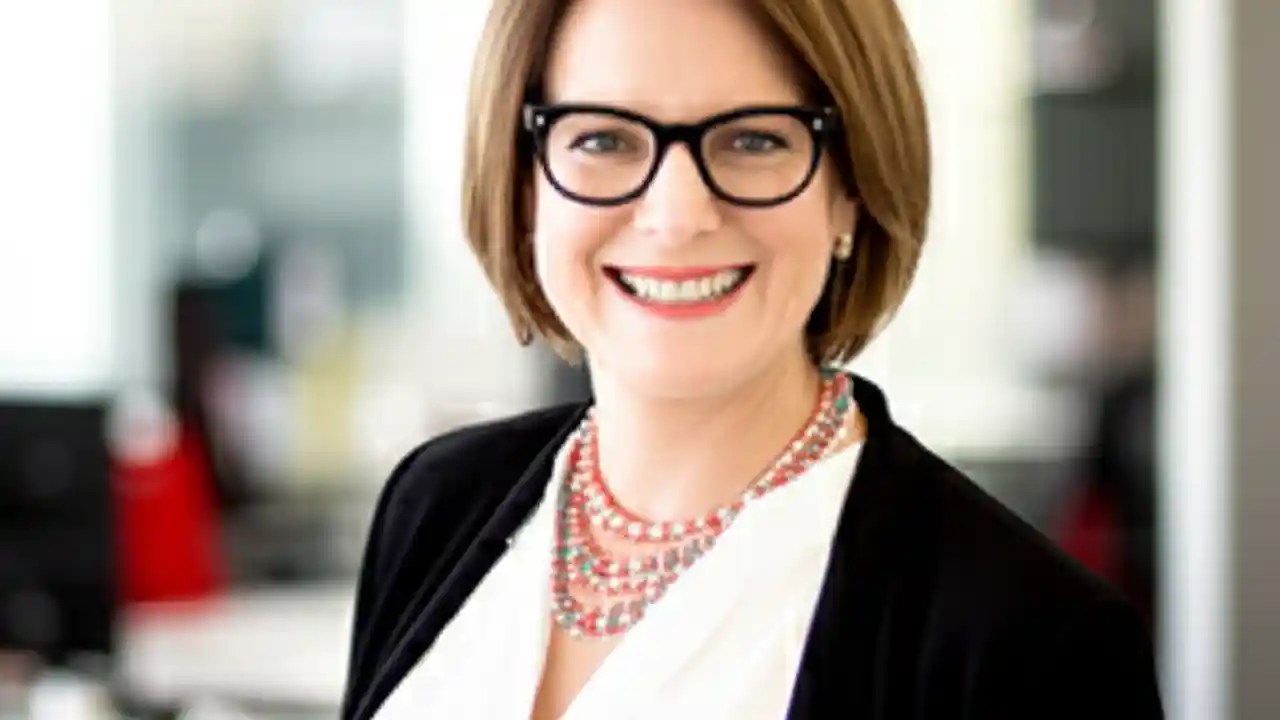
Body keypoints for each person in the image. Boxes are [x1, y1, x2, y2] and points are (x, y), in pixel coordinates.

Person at [341, 0, 1164, 717]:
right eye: (602, 139)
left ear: (852, 188)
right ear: (525, 185)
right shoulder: (435, 506)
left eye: (754, 140)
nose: (676, 214)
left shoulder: (1034, 641)